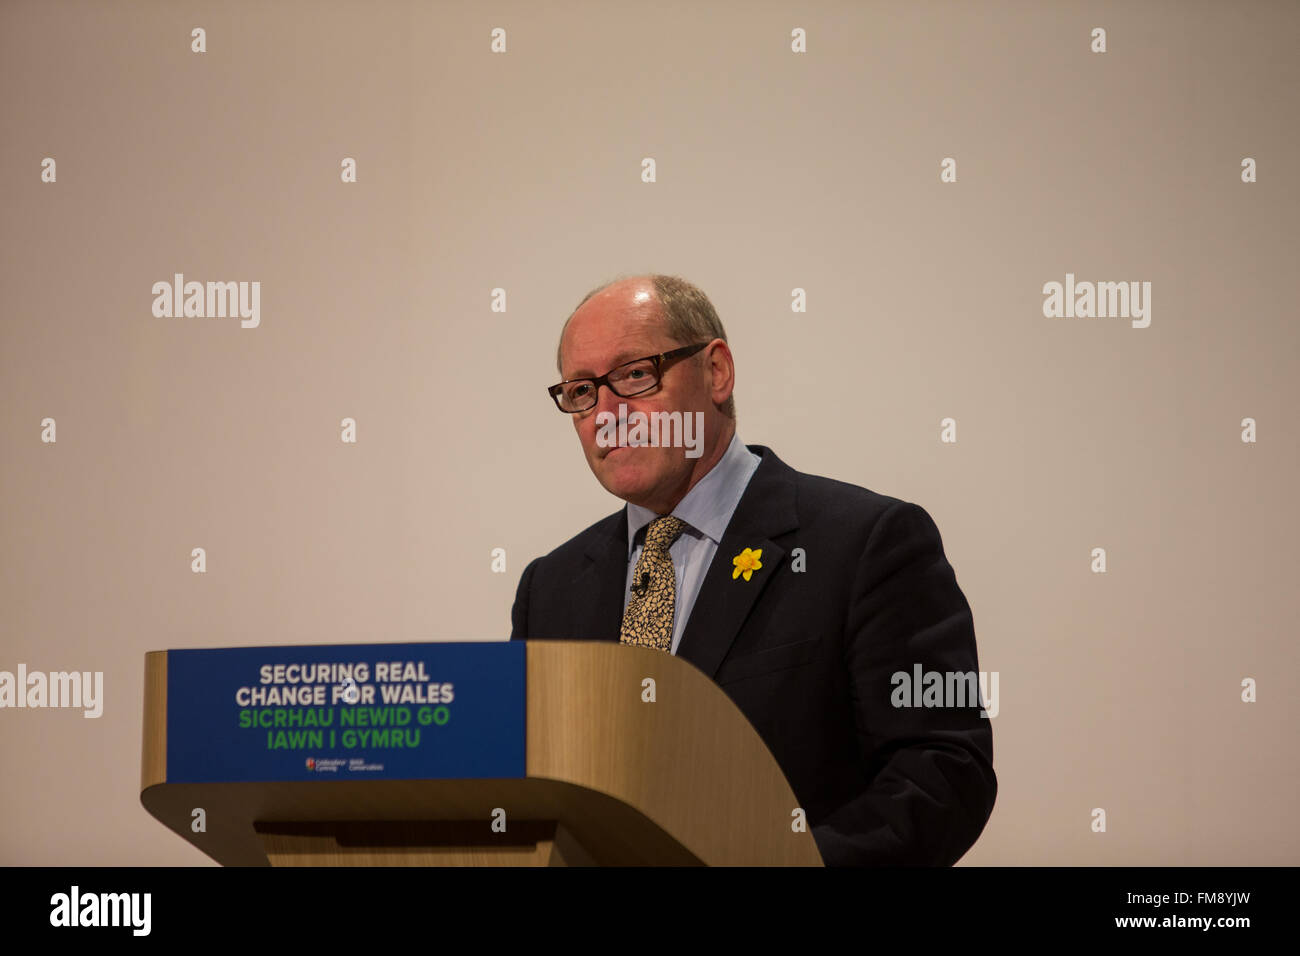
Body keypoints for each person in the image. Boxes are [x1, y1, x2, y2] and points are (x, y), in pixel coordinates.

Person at [509, 274, 996, 865]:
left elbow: (943, 773)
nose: (608, 414)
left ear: (716, 372)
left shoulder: (866, 543)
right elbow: (527, 798)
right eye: (582, 391)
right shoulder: (551, 588)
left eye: (635, 375)